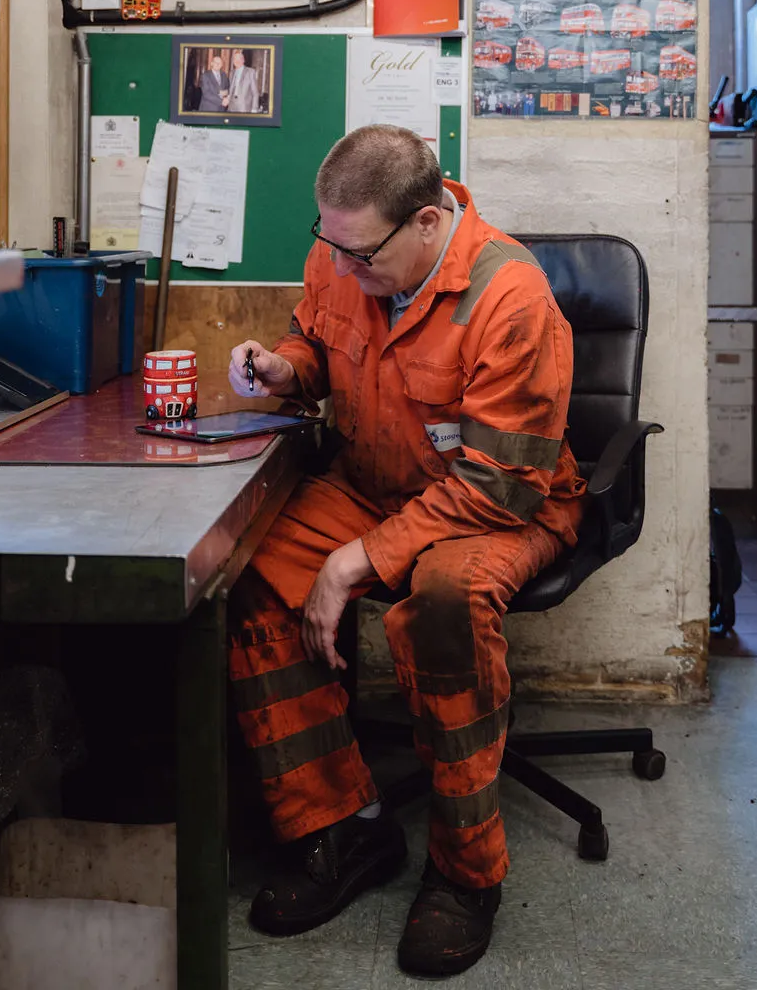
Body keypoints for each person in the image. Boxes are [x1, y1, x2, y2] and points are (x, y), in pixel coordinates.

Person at [227, 125, 584, 977]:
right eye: (332, 248)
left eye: (361, 255)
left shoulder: (510, 296)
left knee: (444, 602)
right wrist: (284, 368)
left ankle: (465, 876)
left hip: (499, 505)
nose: (342, 269)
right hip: (375, 487)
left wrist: (355, 561)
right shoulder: (344, 250)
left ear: (427, 222)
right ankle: (339, 828)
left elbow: (501, 484)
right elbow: (316, 342)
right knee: (246, 571)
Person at [227, 47, 260, 113]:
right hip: (231, 107)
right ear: (233, 61)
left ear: (243, 60)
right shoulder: (231, 73)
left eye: (239, 58)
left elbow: (255, 92)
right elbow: (231, 89)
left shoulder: (250, 72)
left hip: (244, 107)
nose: (237, 61)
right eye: (235, 59)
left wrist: (254, 108)